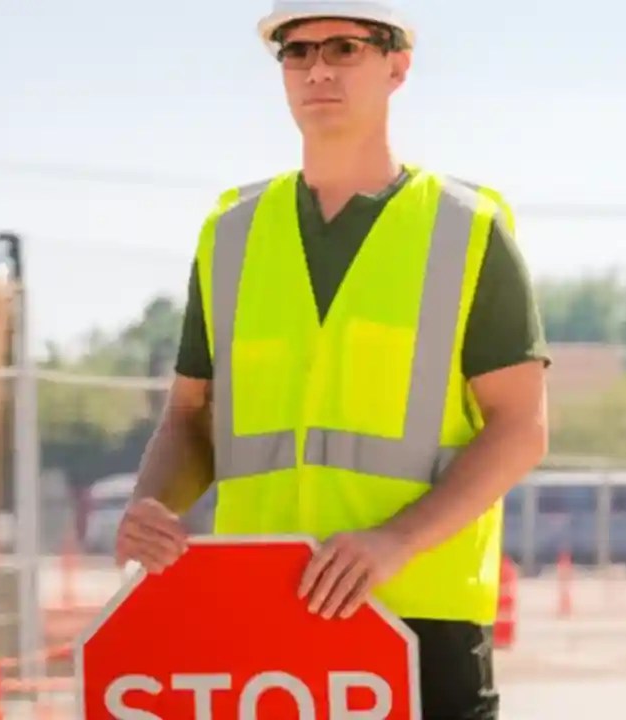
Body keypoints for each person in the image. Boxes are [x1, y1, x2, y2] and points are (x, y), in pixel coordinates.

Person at [112, 2, 550, 718]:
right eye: (297, 50)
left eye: (345, 48)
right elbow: (190, 419)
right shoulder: (230, 236)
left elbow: (520, 428)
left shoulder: (468, 232)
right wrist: (151, 507)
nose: (317, 68)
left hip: (417, 616)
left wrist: (393, 542)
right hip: (258, 618)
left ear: (397, 66)